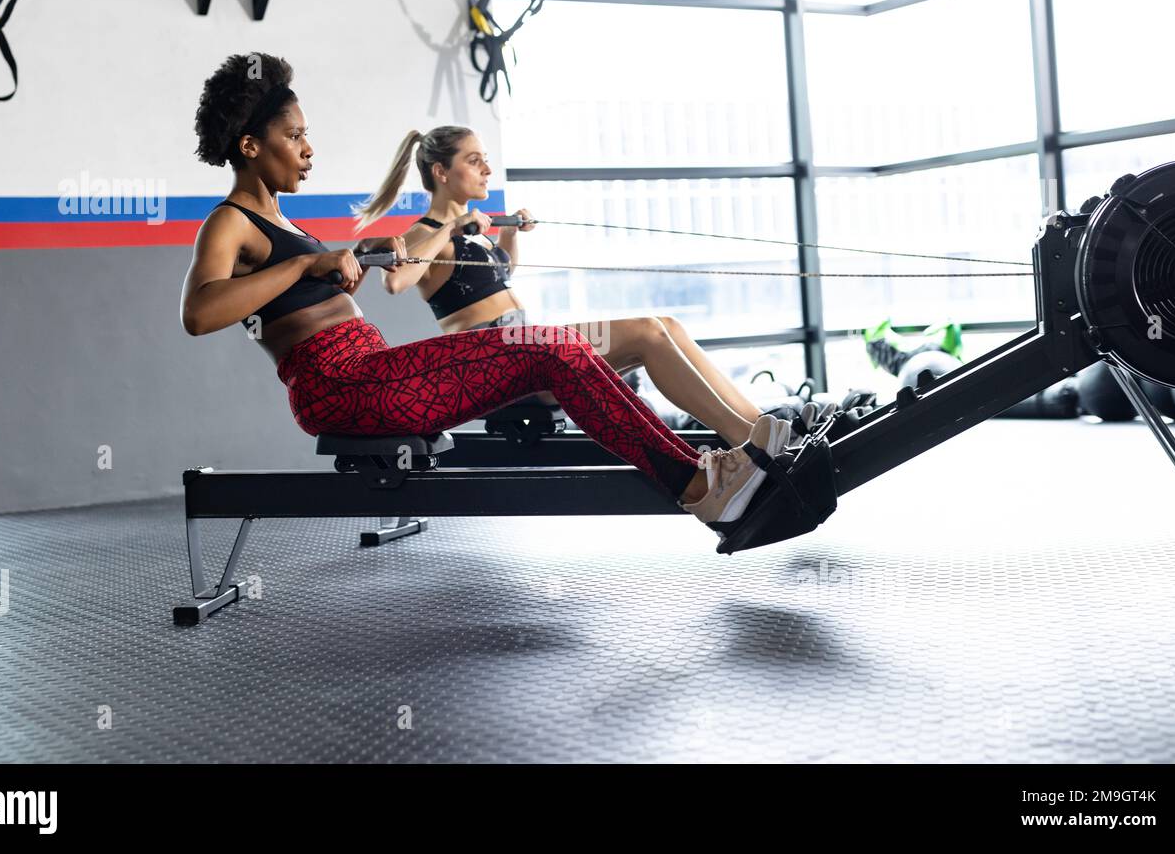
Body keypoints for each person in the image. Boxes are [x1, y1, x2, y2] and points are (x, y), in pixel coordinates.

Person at [181, 52, 795, 542]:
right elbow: (201, 312)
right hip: (343, 386)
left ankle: (712, 465)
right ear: (250, 146)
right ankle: (699, 484)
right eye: (294, 136)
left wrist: (344, 267)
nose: (308, 148)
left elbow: (304, 298)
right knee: (552, 350)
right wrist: (310, 266)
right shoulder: (229, 222)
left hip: (371, 369)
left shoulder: (291, 227)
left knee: (555, 347)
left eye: (307, 134)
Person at [356, 125, 833, 448]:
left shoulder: (470, 231)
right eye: (474, 161)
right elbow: (398, 281)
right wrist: (452, 227)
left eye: (486, 161)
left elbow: (499, 274)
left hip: (525, 345)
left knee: (665, 324)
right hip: (497, 359)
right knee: (646, 331)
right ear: (441, 172)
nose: (486, 169)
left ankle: (763, 427)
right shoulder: (424, 232)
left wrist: (504, 233)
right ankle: (748, 439)